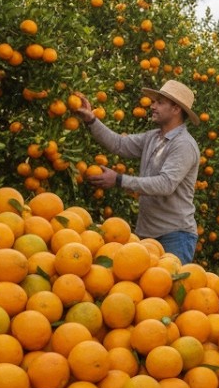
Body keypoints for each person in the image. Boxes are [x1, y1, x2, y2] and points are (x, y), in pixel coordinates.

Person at [79, 80, 201, 265]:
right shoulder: (153, 137)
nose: (152, 106)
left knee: (167, 290)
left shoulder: (183, 145)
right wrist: (91, 119)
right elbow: (119, 144)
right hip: (145, 233)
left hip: (175, 236)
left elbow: (165, 184)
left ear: (176, 109)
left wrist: (119, 180)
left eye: (159, 102)